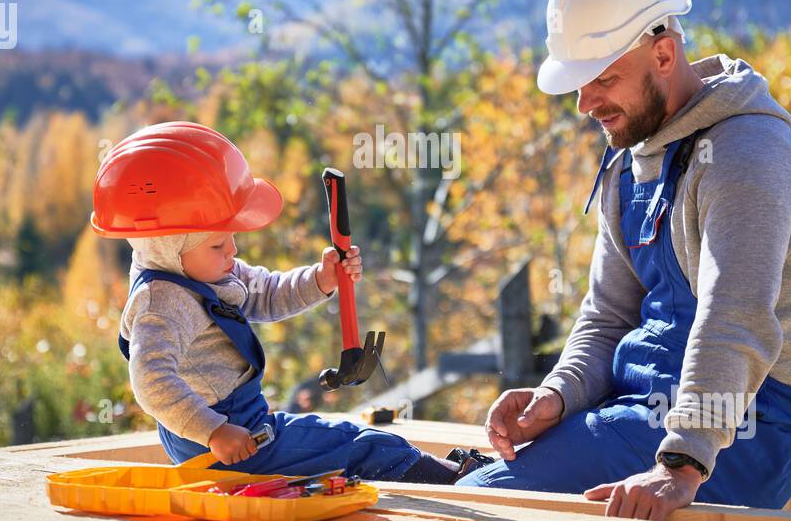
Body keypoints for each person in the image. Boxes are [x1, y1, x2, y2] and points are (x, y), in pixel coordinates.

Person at [456, 0, 791, 520]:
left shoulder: (747, 158)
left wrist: (682, 465)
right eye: (578, 84)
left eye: (603, 79)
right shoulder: (631, 161)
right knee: (469, 497)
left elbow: (735, 317)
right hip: (637, 412)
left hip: (739, 433)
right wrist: (557, 394)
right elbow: (608, 316)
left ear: (664, 53)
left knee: (481, 511)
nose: (585, 103)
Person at [91, 121, 493, 483]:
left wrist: (320, 279)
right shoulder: (161, 304)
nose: (232, 249)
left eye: (231, 236)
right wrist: (212, 430)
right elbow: (151, 382)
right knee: (363, 445)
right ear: (167, 245)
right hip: (219, 440)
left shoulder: (206, 270)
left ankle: (445, 473)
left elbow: (266, 292)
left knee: (326, 436)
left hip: (236, 426)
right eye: (218, 242)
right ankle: (456, 482)